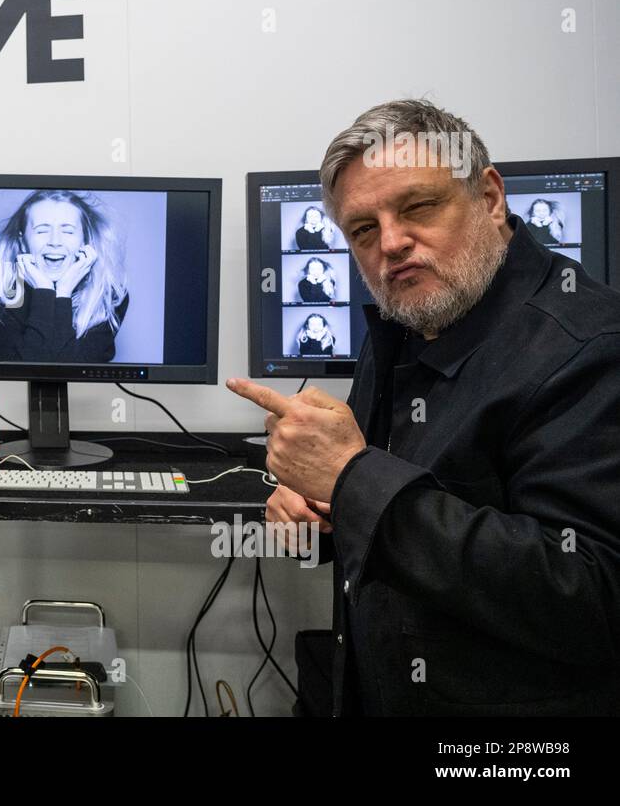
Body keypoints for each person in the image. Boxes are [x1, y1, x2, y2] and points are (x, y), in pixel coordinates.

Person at [229, 98, 620, 715]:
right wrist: (321, 507)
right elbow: (405, 505)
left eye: (418, 207)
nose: (390, 243)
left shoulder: (591, 348)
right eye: (362, 229)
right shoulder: (413, 317)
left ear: (490, 197)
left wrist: (352, 479)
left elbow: (592, 595)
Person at [0, 189, 129, 362]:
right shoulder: (1, 294)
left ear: (85, 240)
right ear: (22, 243)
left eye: (68, 231)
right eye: (42, 231)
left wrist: (63, 292)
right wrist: (45, 290)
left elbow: (70, 370)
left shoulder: (110, 298)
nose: (55, 241)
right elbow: (28, 369)